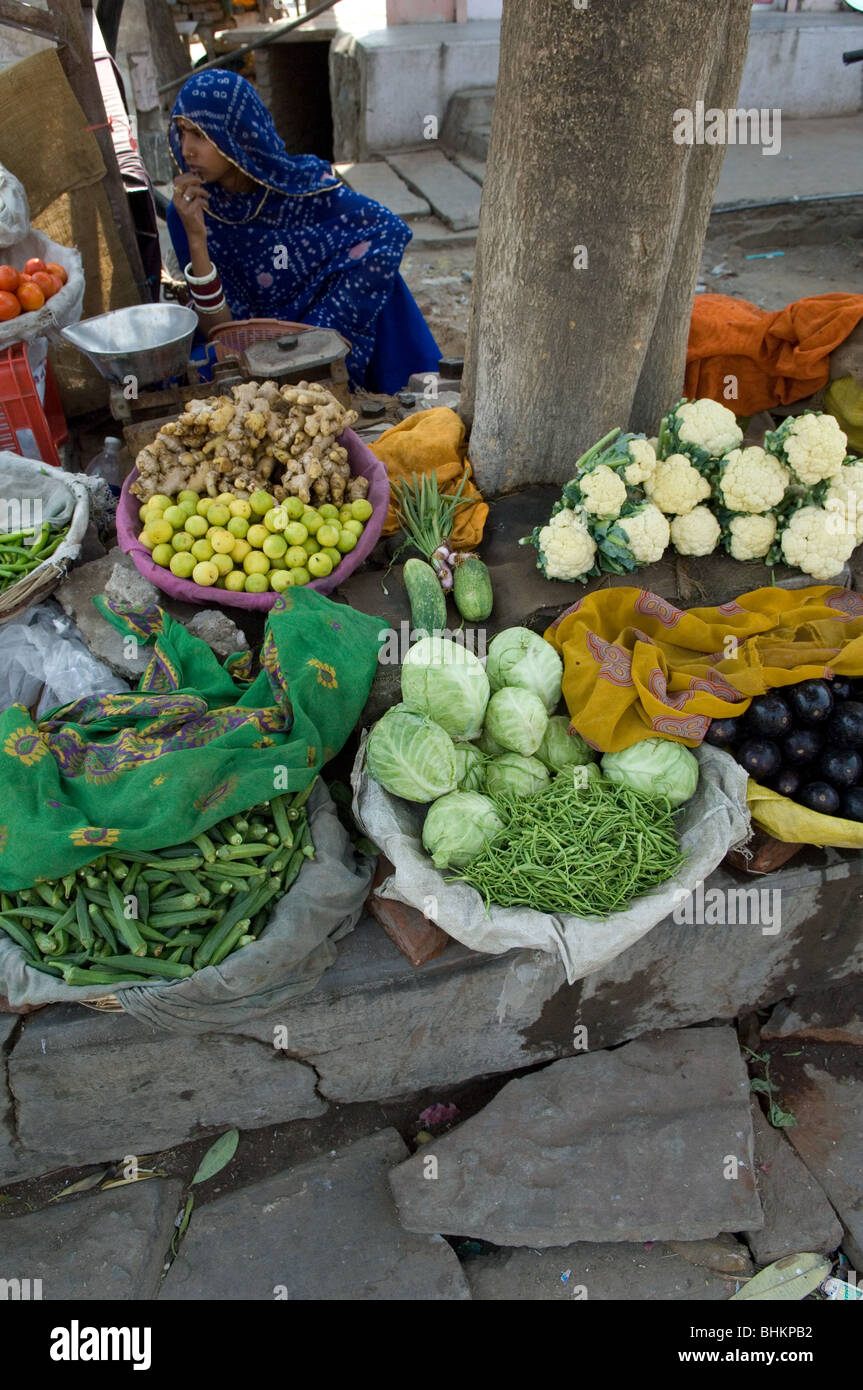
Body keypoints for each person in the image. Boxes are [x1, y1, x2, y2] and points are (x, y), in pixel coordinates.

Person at [167, 70, 440, 394]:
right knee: (198, 373)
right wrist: (197, 240)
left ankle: (417, 395)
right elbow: (219, 329)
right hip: (244, 347)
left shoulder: (301, 192)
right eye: (182, 133)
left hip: (317, 331)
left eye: (199, 135)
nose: (187, 150)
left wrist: (320, 328)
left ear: (238, 134)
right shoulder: (189, 210)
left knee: (385, 284)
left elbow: (385, 230)